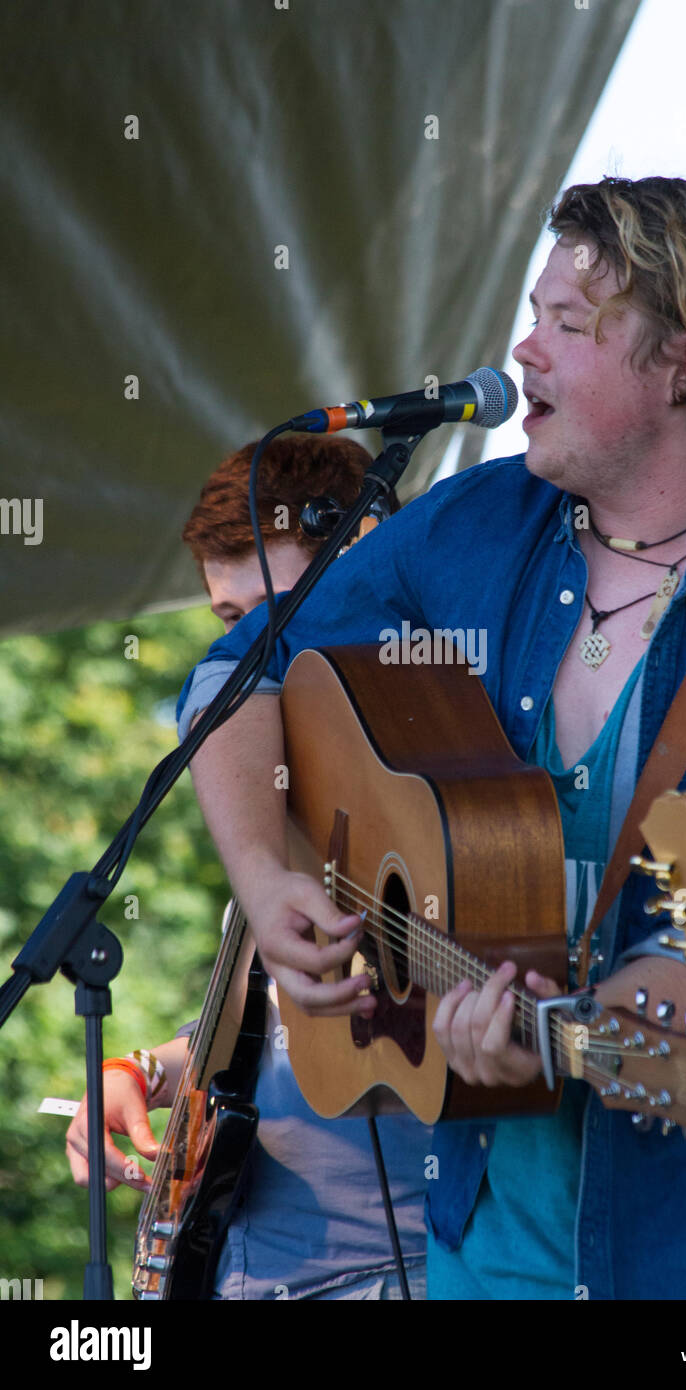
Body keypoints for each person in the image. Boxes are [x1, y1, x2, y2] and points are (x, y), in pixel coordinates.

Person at [175, 176, 686, 1300]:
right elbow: (241, 670)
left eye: (564, 323)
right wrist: (264, 877)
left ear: (684, 358)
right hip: (476, 1246)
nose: (521, 350)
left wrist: (555, 1039)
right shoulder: (474, 522)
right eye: (531, 313)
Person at [66, 434, 431, 1300]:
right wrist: (142, 1073)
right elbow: (268, 1025)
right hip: (242, 1263)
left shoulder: (447, 784)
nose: (250, 653)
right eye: (233, 625)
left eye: (271, 615)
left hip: (386, 1270)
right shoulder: (281, 802)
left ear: (367, 550)